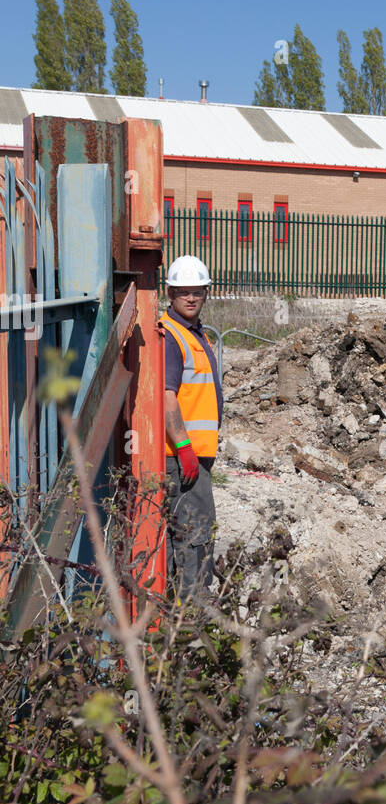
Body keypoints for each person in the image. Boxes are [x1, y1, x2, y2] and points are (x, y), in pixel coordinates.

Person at [160, 255, 223, 599]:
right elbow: (167, 397)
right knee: (192, 534)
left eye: (197, 291)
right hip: (181, 458)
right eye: (183, 291)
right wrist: (183, 447)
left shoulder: (192, 334)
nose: (190, 298)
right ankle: (189, 615)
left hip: (196, 456)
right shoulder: (171, 337)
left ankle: (189, 608)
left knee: (195, 531)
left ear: (206, 293)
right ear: (170, 292)